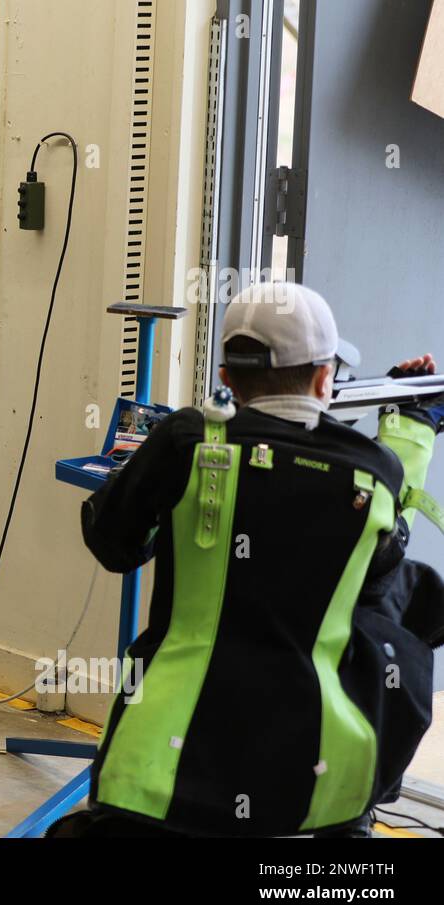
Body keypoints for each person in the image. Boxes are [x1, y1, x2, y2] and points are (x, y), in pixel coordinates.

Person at [49, 281, 444, 837]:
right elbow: (383, 582)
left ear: (227, 378)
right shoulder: (373, 471)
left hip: (161, 771)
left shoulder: (185, 440)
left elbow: (115, 545)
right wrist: (414, 422)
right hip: (314, 783)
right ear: (326, 379)